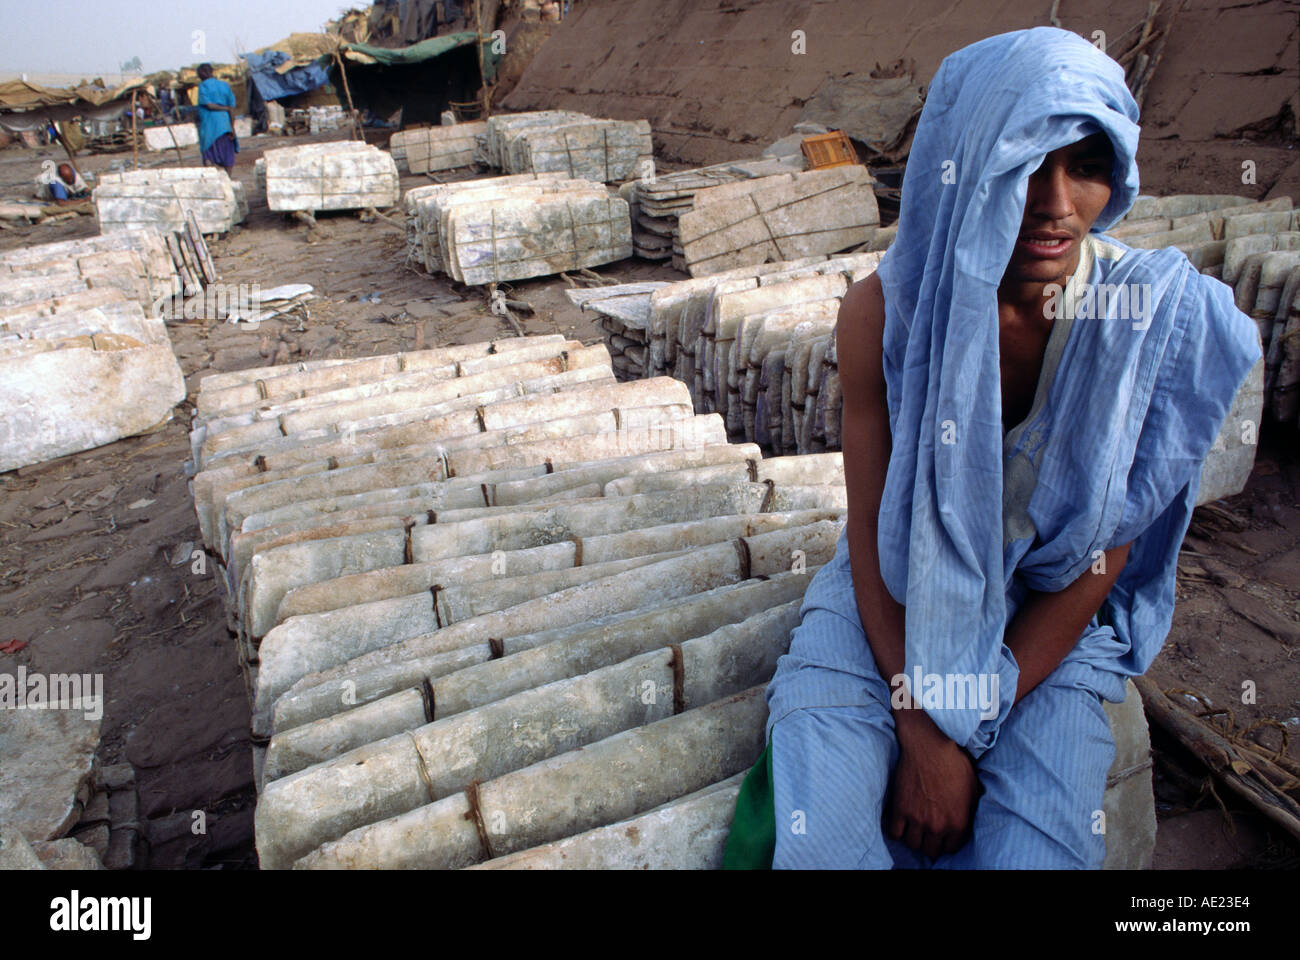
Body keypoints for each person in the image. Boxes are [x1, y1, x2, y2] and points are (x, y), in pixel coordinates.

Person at [722, 27, 1260, 869]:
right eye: (1023, 166)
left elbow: (1100, 557)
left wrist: (985, 698)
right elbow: (869, 533)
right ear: (967, 168)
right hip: (894, 607)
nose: (1055, 202)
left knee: (1036, 853)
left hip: (1046, 622)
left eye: (1085, 165)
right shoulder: (886, 315)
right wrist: (923, 725)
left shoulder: (1147, 324)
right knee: (822, 842)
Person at [196, 62, 238, 176]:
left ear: (202, 74)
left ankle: (212, 181)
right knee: (227, 156)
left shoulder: (203, 86)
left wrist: (224, 108)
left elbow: (209, 105)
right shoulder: (225, 85)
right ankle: (229, 181)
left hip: (210, 127)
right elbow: (231, 108)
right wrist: (232, 128)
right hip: (225, 125)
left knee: (209, 155)